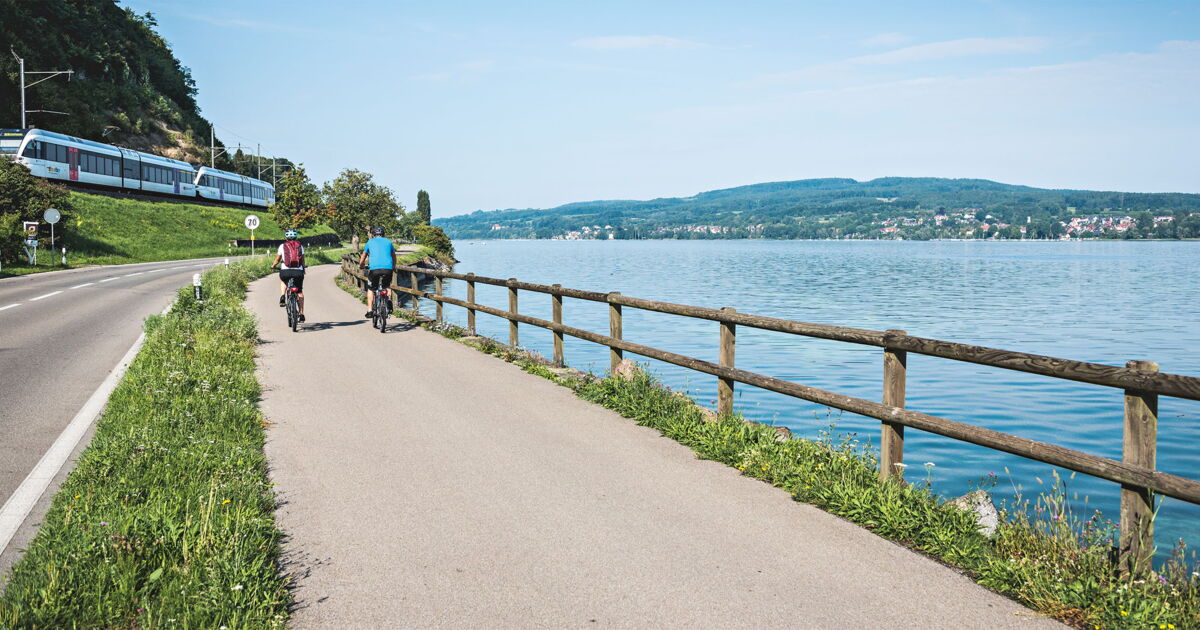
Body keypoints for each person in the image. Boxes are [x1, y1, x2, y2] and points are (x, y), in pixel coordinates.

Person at [358, 226, 396, 318]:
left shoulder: (370, 242)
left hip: (374, 270)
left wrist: (361, 265)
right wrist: (393, 266)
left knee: (371, 288)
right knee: (387, 286)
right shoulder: (388, 242)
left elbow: (363, 256)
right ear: (383, 234)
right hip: (388, 269)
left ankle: (370, 310)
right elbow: (394, 256)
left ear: (373, 235)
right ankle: (388, 302)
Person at [272, 229, 306, 322]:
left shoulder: (282, 246)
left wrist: (273, 265)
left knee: (283, 280)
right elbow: (302, 260)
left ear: (286, 237)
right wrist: (303, 268)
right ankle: (301, 314)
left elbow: (277, 259)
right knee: (299, 292)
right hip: (298, 272)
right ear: (296, 237)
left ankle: (282, 296)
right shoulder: (300, 246)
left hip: (285, 271)